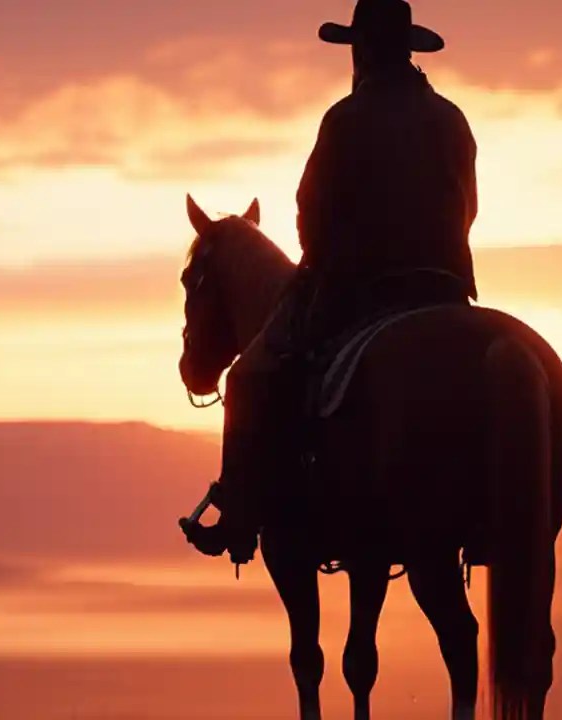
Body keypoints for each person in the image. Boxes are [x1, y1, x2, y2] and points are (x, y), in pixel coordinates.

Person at [184, 0, 479, 565]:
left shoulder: (344, 119)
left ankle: (238, 518)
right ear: (408, 49)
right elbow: (468, 208)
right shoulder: (452, 118)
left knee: (247, 377)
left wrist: (320, 263)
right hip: (447, 289)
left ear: (361, 50)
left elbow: (310, 210)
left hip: (363, 290)